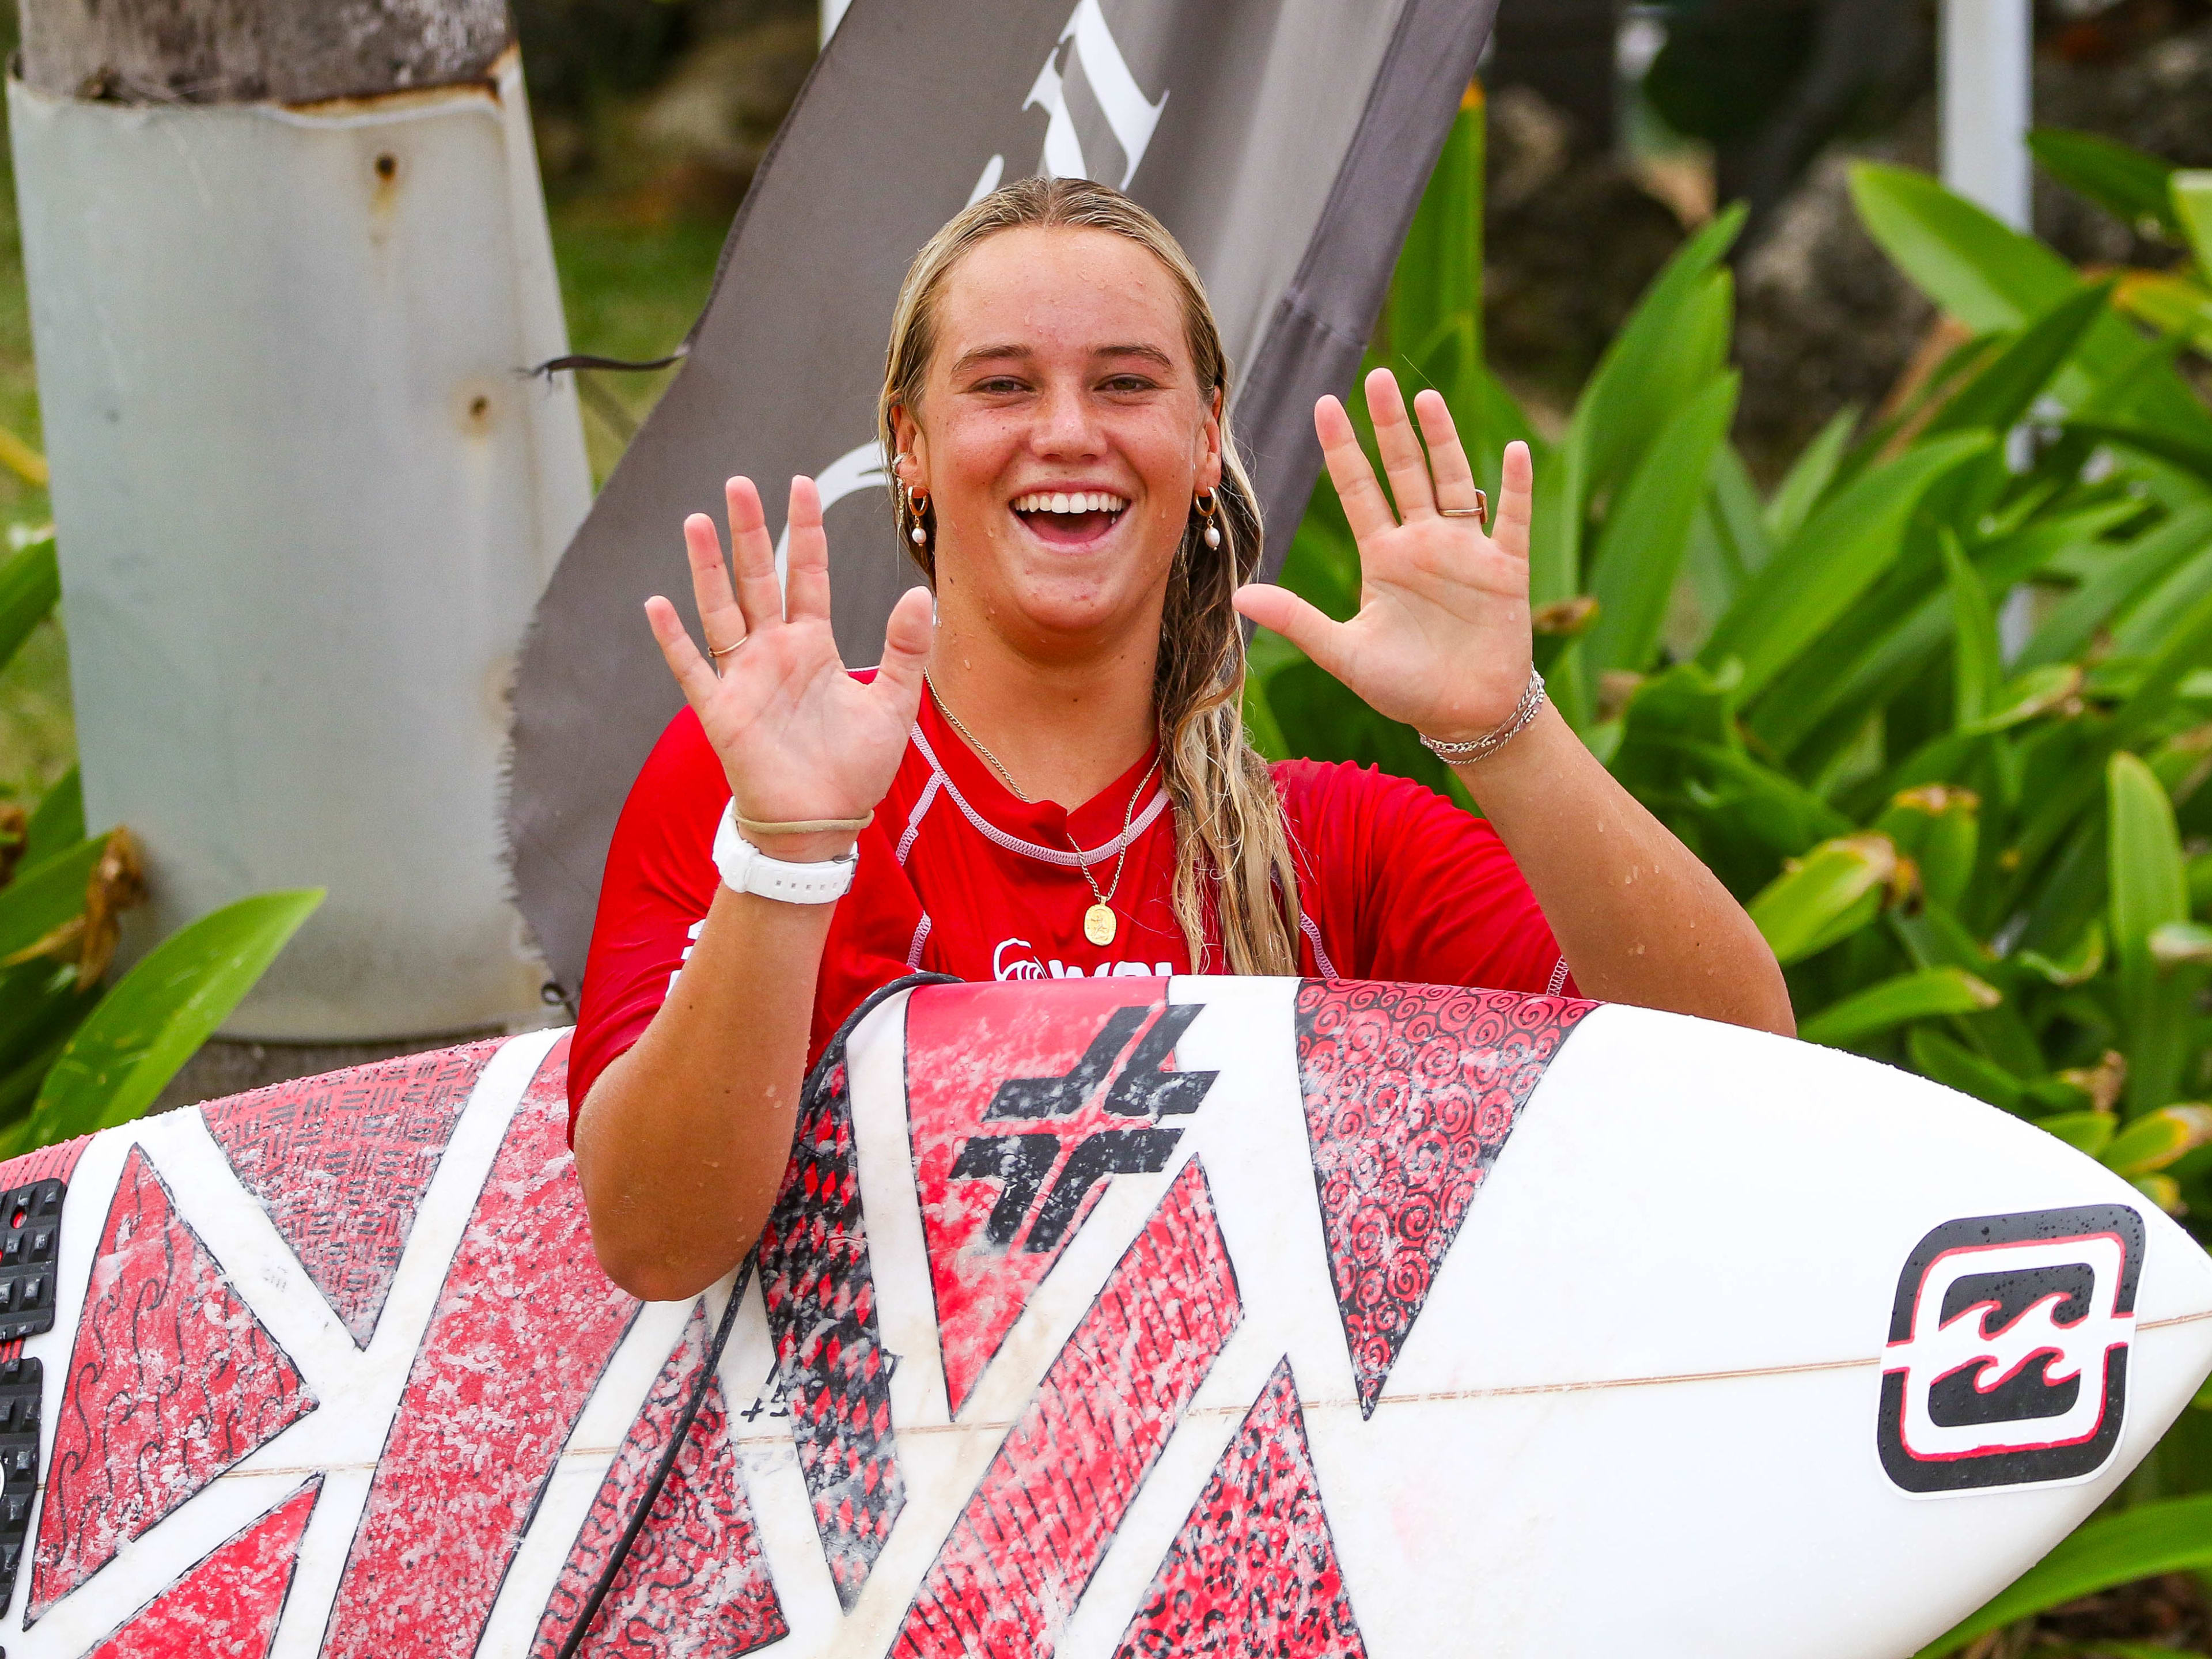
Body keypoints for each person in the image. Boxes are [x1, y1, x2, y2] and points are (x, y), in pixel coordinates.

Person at [571, 177, 1792, 1302]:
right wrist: (787, 857)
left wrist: (1502, 732)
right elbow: (653, 1242)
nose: (1065, 432)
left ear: (1206, 438)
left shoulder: (1333, 853)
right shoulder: (777, 790)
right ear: (912, 442)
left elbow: (1743, 1078)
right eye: (1001, 385)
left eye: (1125, 384)